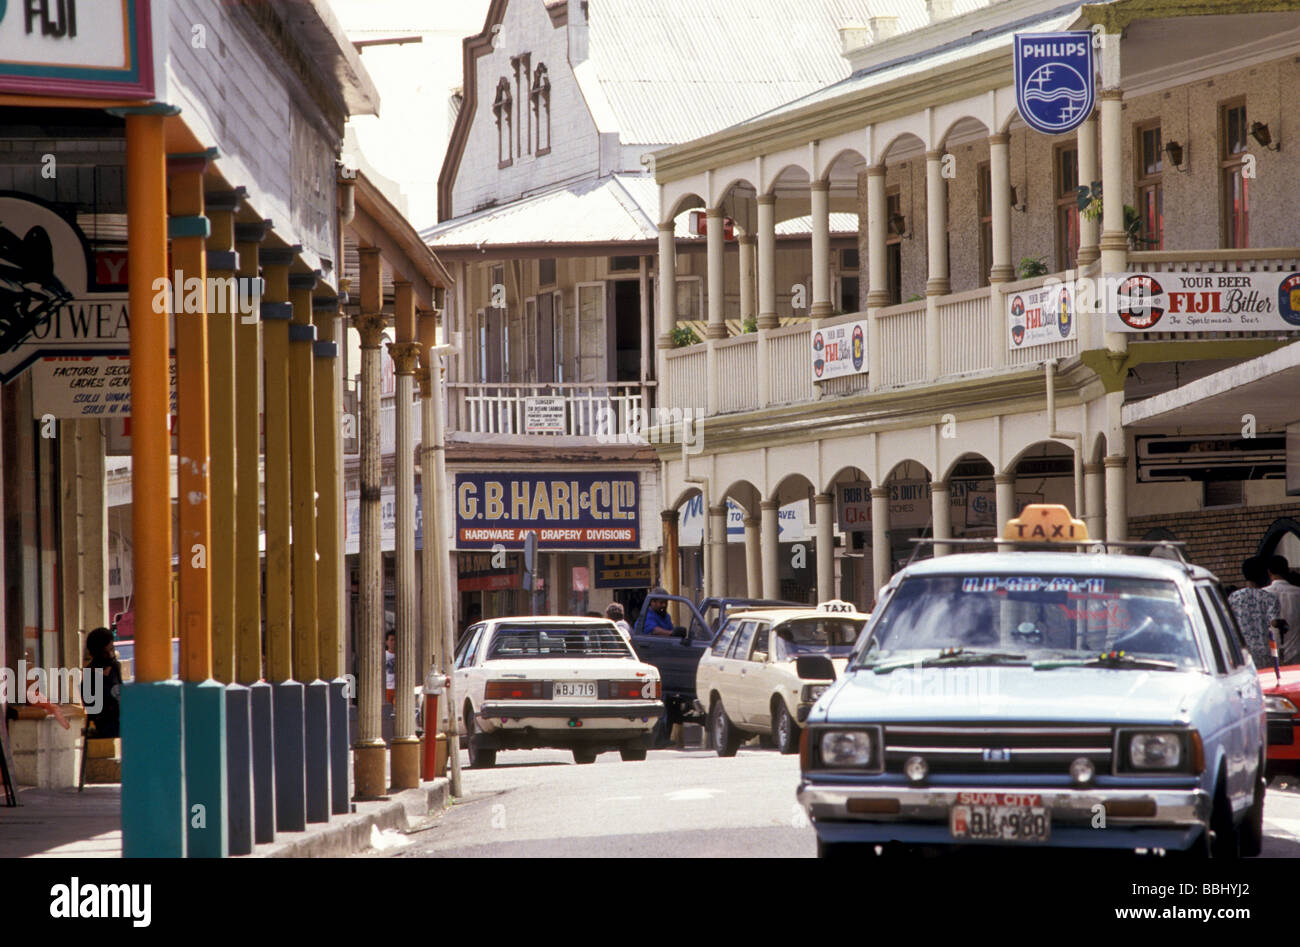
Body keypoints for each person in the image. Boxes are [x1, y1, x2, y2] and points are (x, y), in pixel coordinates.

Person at [1229, 557, 1279, 668]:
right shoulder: (1270, 598)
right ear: (1264, 574)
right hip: (1265, 653)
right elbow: (1274, 623)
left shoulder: (1234, 597)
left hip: (1241, 653)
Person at [84, 627, 122, 740]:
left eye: (112, 650)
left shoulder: (115, 667)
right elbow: (92, 710)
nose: (111, 655)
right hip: (105, 730)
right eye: (105, 653)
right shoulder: (90, 674)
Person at [1266, 555, 1300, 664]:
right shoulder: (1298, 593)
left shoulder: (1262, 594)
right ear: (1287, 570)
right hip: (1296, 652)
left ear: (1269, 572)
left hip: (1270, 653)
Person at [384, 630, 396, 704]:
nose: (393, 642)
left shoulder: (402, 655)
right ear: (387, 642)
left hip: (397, 688)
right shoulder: (383, 655)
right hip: (386, 688)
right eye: (391, 640)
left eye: (395, 640)